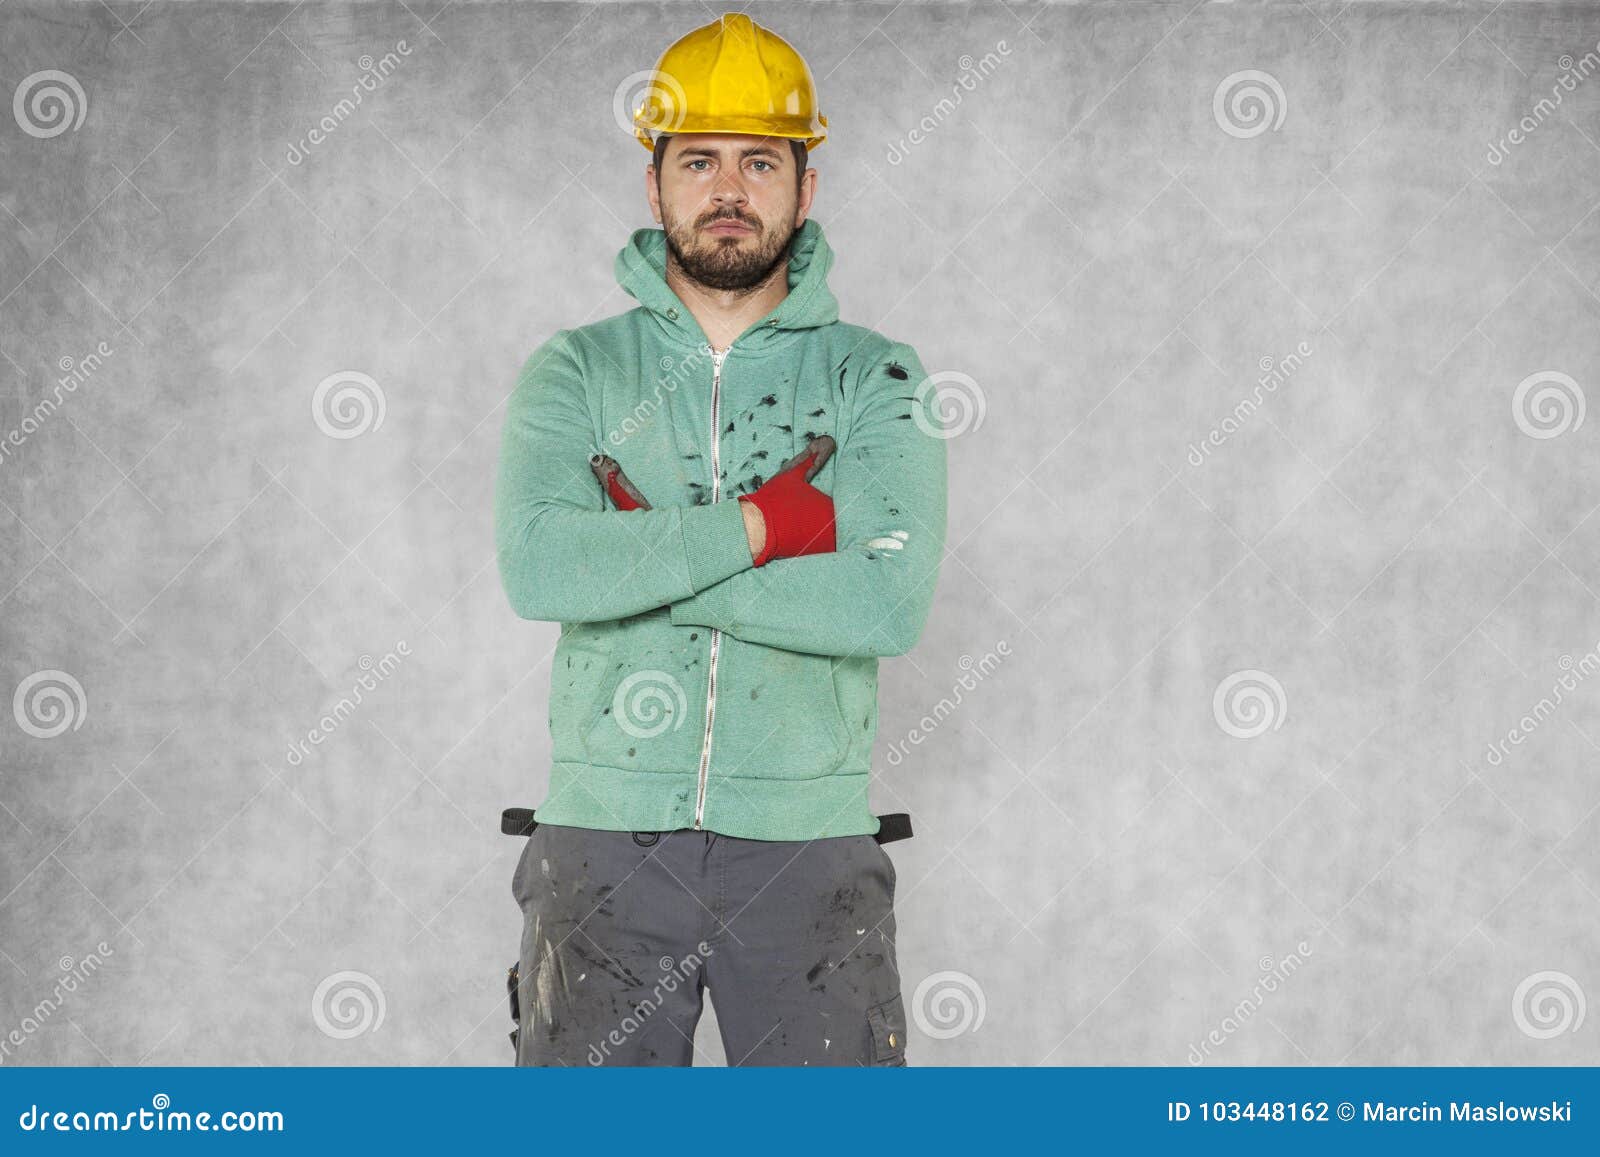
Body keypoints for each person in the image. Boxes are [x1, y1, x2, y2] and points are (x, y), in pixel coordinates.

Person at [494, 11, 948, 1066]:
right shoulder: (574, 369)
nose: (728, 188)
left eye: (759, 160)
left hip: (809, 858)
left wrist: (643, 562)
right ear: (655, 186)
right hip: (601, 851)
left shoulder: (876, 375)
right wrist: (769, 527)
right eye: (698, 159)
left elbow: (885, 602)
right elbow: (539, 566)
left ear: (806, 186)